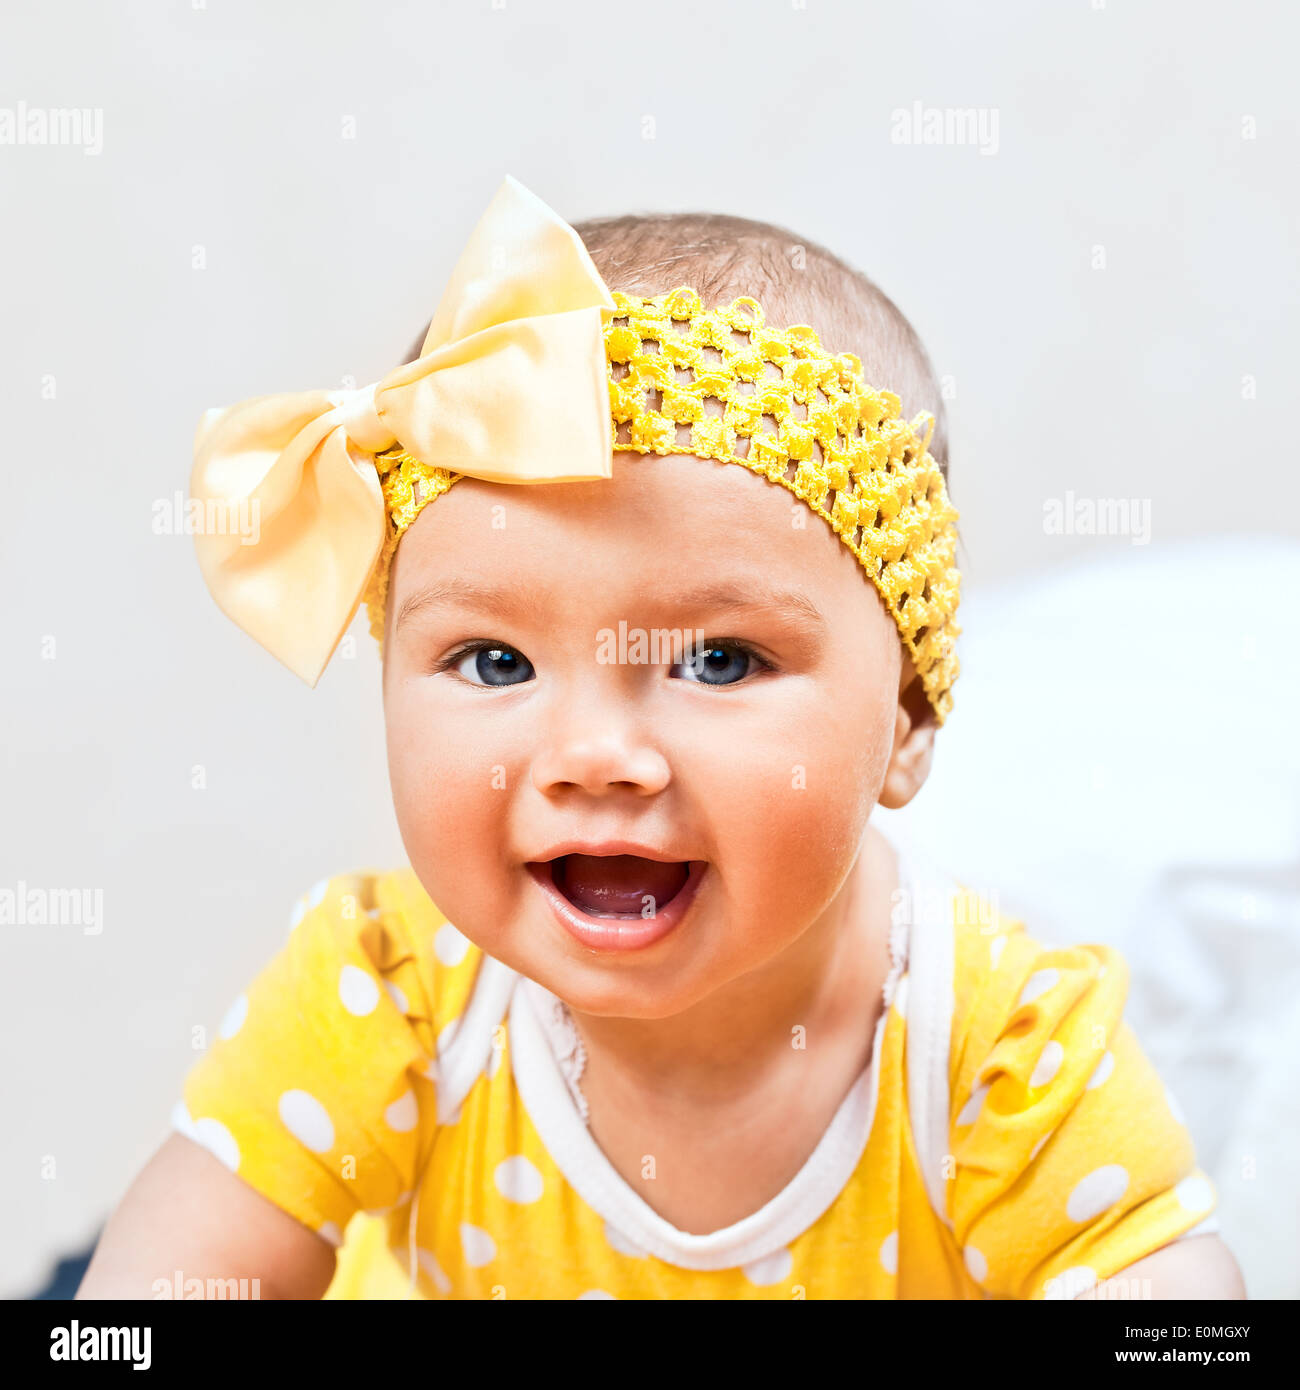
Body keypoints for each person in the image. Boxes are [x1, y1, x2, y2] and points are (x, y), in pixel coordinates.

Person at [76, 176, 1244, 1300]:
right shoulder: (393, 992)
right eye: (496, 661)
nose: (596, 754)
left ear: (904, 725)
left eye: (719, 660)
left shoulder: (992, 1045)